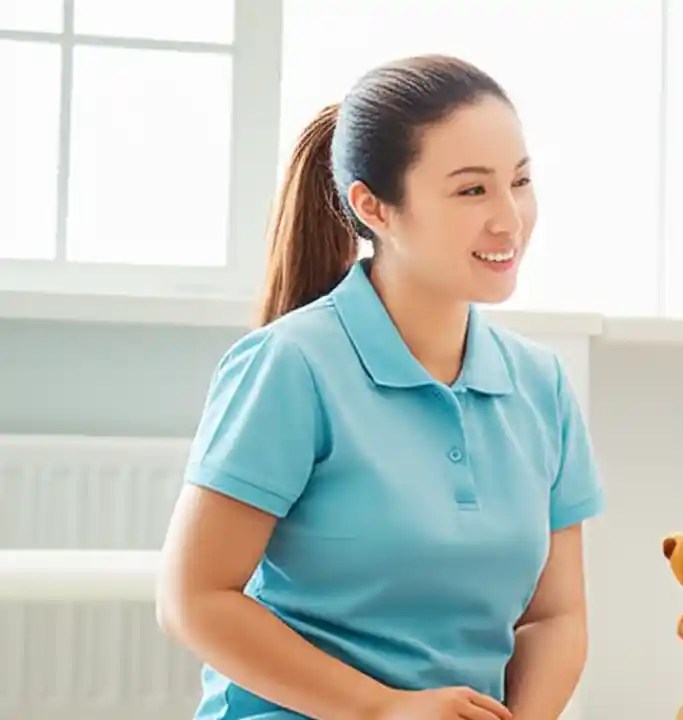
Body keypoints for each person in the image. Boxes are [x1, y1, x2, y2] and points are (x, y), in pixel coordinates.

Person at [154, 54, 605, 720]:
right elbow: (193, 599)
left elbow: (554, 616)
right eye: (471, 191)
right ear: (374, 207)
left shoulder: (540, 386)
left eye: (521, 180)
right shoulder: (291, 366)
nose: (510, 219)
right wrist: (383, 708)